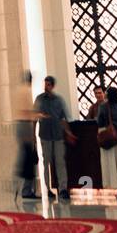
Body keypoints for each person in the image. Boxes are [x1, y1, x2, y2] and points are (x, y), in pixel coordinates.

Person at [33, 75, 75, 200]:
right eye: (45, 84)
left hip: (57, 135)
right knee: (46, 162)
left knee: (60, 162)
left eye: (48, 84)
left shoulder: (59, 100)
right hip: (45, 135)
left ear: (52, 86)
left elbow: (63, 118)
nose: (46, 87)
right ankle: (48, 188)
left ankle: (62, 188)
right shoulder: (39, 99)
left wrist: (68, 132)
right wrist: (33, 135)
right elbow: (34, 117)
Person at [13, 69, 38, 200]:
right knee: (29, 159)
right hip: (25, 125)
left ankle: (22, 186)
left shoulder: (18, 90)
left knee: (24, 157)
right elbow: (28, 111)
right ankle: (27, 190)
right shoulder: (27, 91)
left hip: (18, 125)